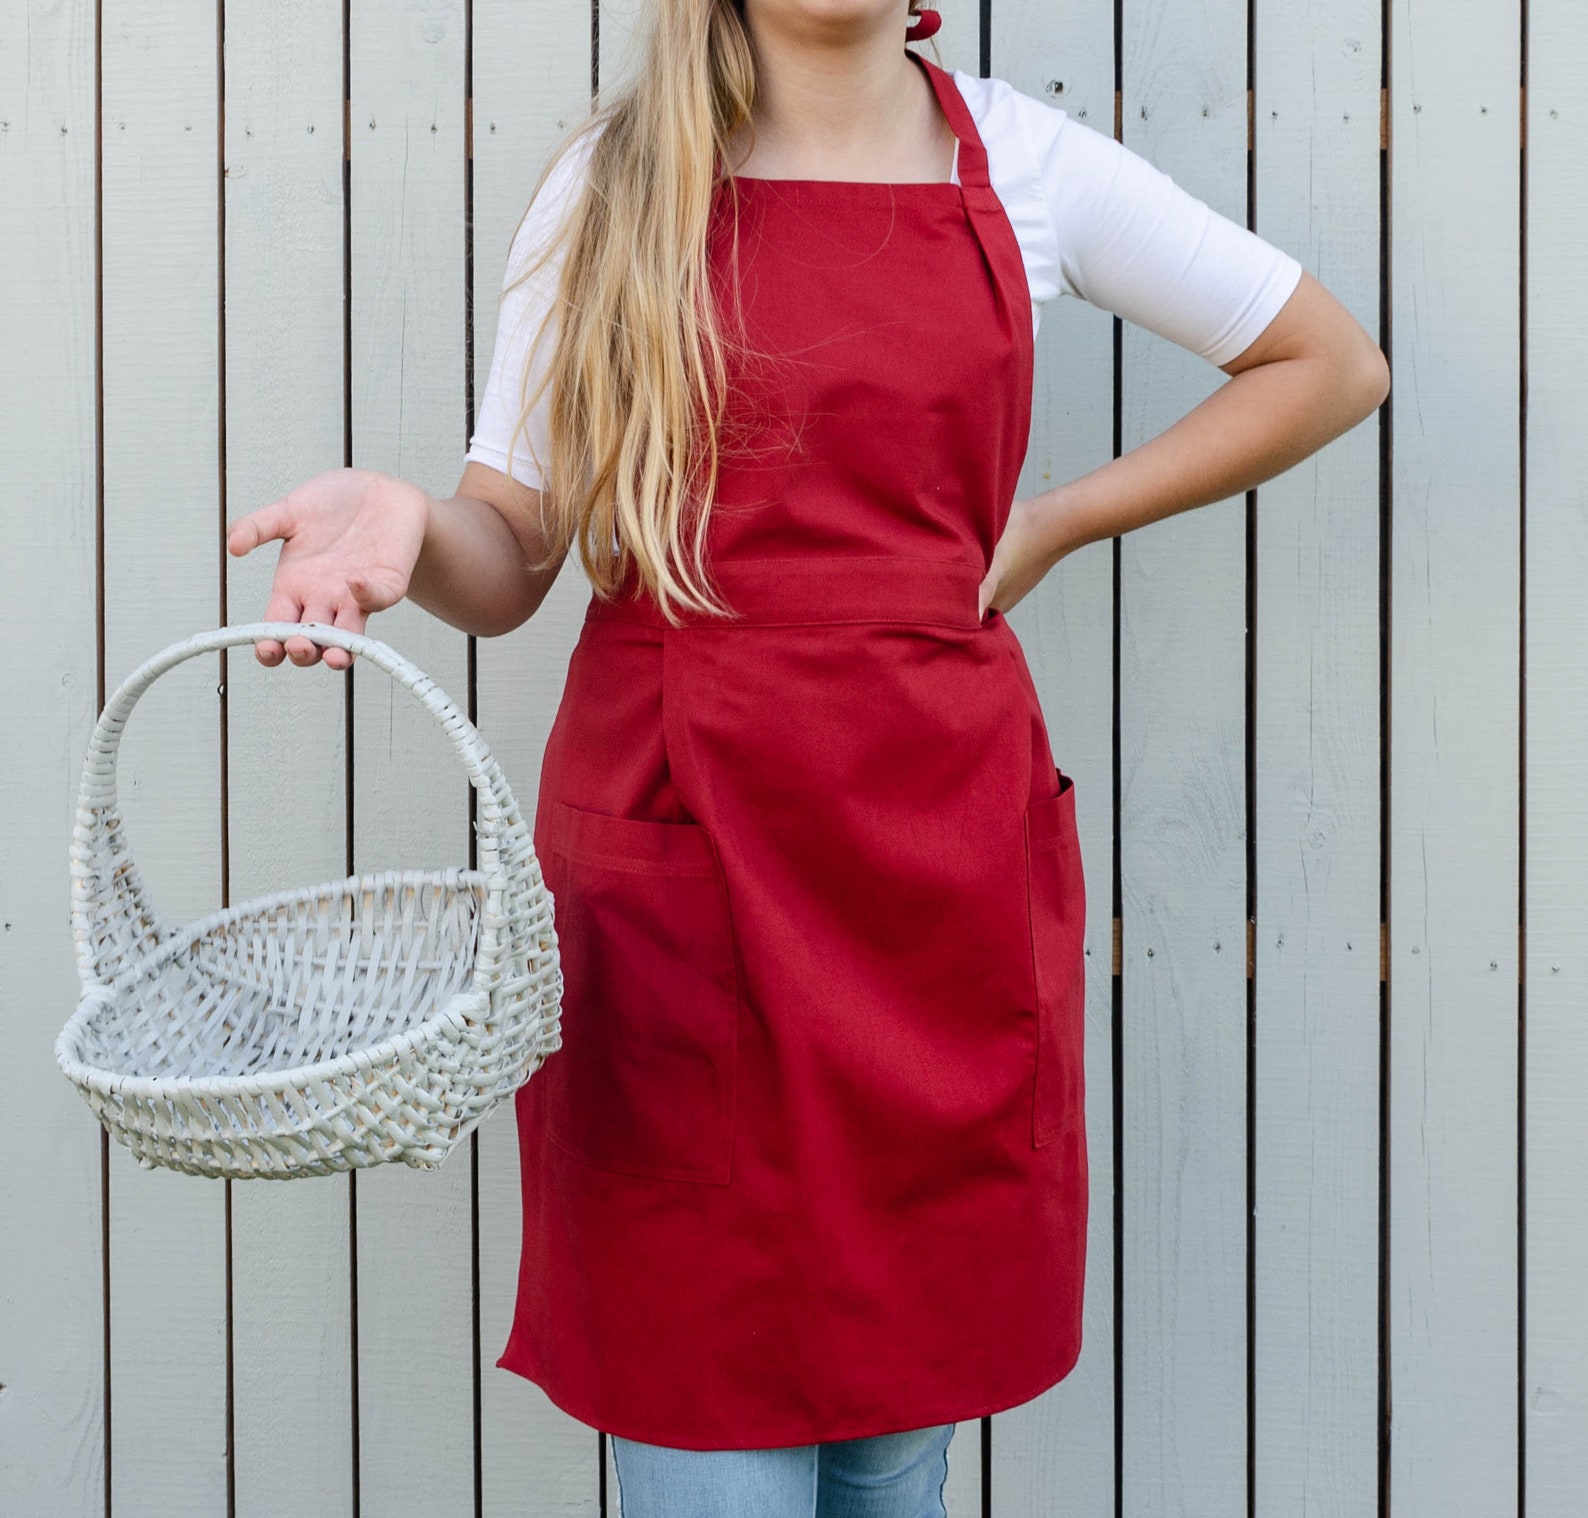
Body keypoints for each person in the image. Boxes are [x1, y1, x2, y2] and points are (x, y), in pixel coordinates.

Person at [226, 2, 1390, 1512]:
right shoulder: (614, 182)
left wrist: (1054, 520)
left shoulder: (1028, 166)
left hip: (930, 899)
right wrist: (412, 529)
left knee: (896, 1448)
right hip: (680, 893)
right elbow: (511, 552)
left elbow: (1328, 362)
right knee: (712, 1427)